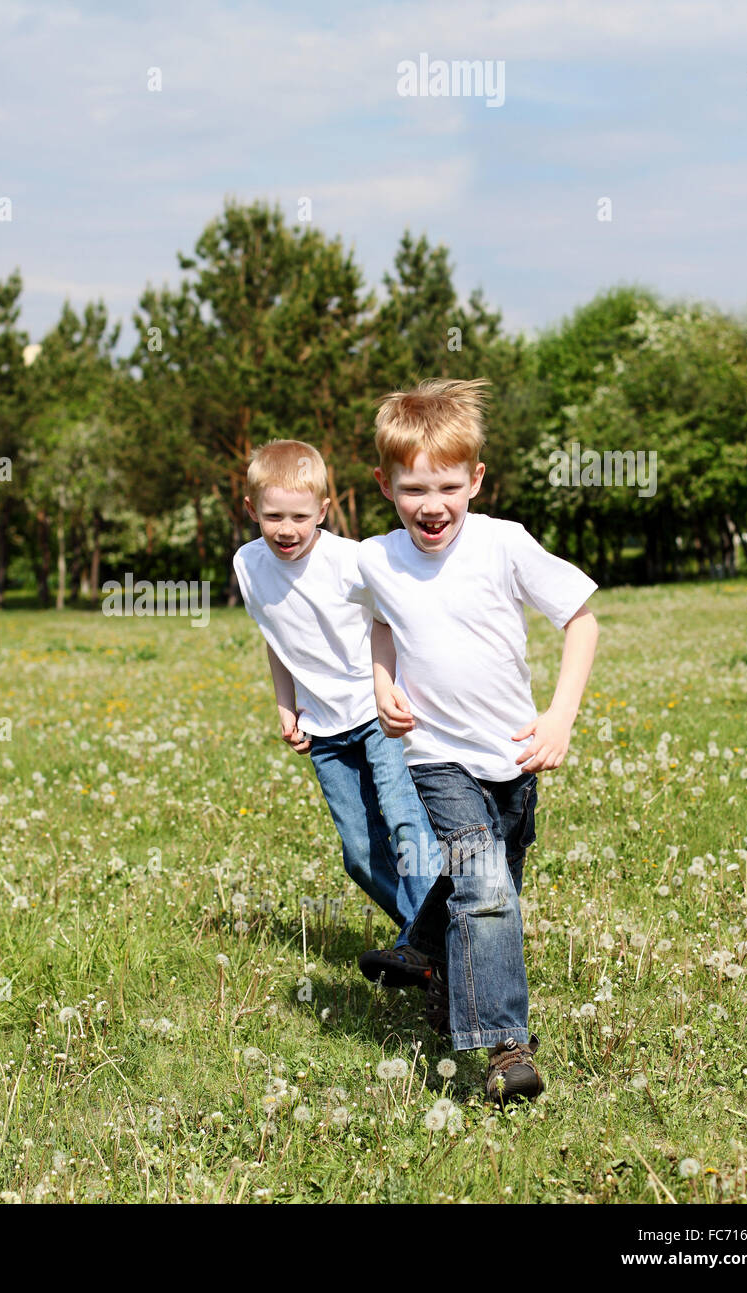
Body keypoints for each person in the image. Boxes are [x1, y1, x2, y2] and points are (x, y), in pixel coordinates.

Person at [360, 378, 599, 1104]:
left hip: (513, 755)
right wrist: (381, 685)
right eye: (413, 489)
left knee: (484, 880)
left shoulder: (503, 543)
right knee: (487, 886)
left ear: (476, 480)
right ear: (384, 484)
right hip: (436, 755)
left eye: (448, 485)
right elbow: (378, 621)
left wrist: (559, 717)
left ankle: (427, 956)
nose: (432, 504)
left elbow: (581, 618)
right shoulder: (377, 558)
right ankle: (504, 1049)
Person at [234, 439, 442, 987]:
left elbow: (397, 624)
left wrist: (394, 693)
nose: (286, 529)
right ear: (251, 509)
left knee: (405, 823)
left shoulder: (351, 560)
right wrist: (285, 702)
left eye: (300, 516)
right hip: (325, 727)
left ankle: (428, 947)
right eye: (273, 515)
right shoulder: (247, 564)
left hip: (377, 711)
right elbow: (275, 637)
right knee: (357, 853)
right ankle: (432, 942)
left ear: (323, 511)